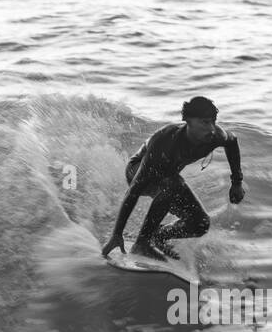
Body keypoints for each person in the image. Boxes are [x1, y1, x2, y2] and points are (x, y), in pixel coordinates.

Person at [101, 96, 246, 262]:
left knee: (200, 223)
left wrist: (237, 183)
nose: (212, 128)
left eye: (213, 122)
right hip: (137, 170)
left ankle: (157, 235)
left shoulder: (215, 136)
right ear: (188, 121)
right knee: (172, 183)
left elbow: (232, 141)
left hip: (169, 178)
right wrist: (116, 234)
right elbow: (134, 190)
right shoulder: (164, 142)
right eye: (205, 122)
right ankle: (142, 244)